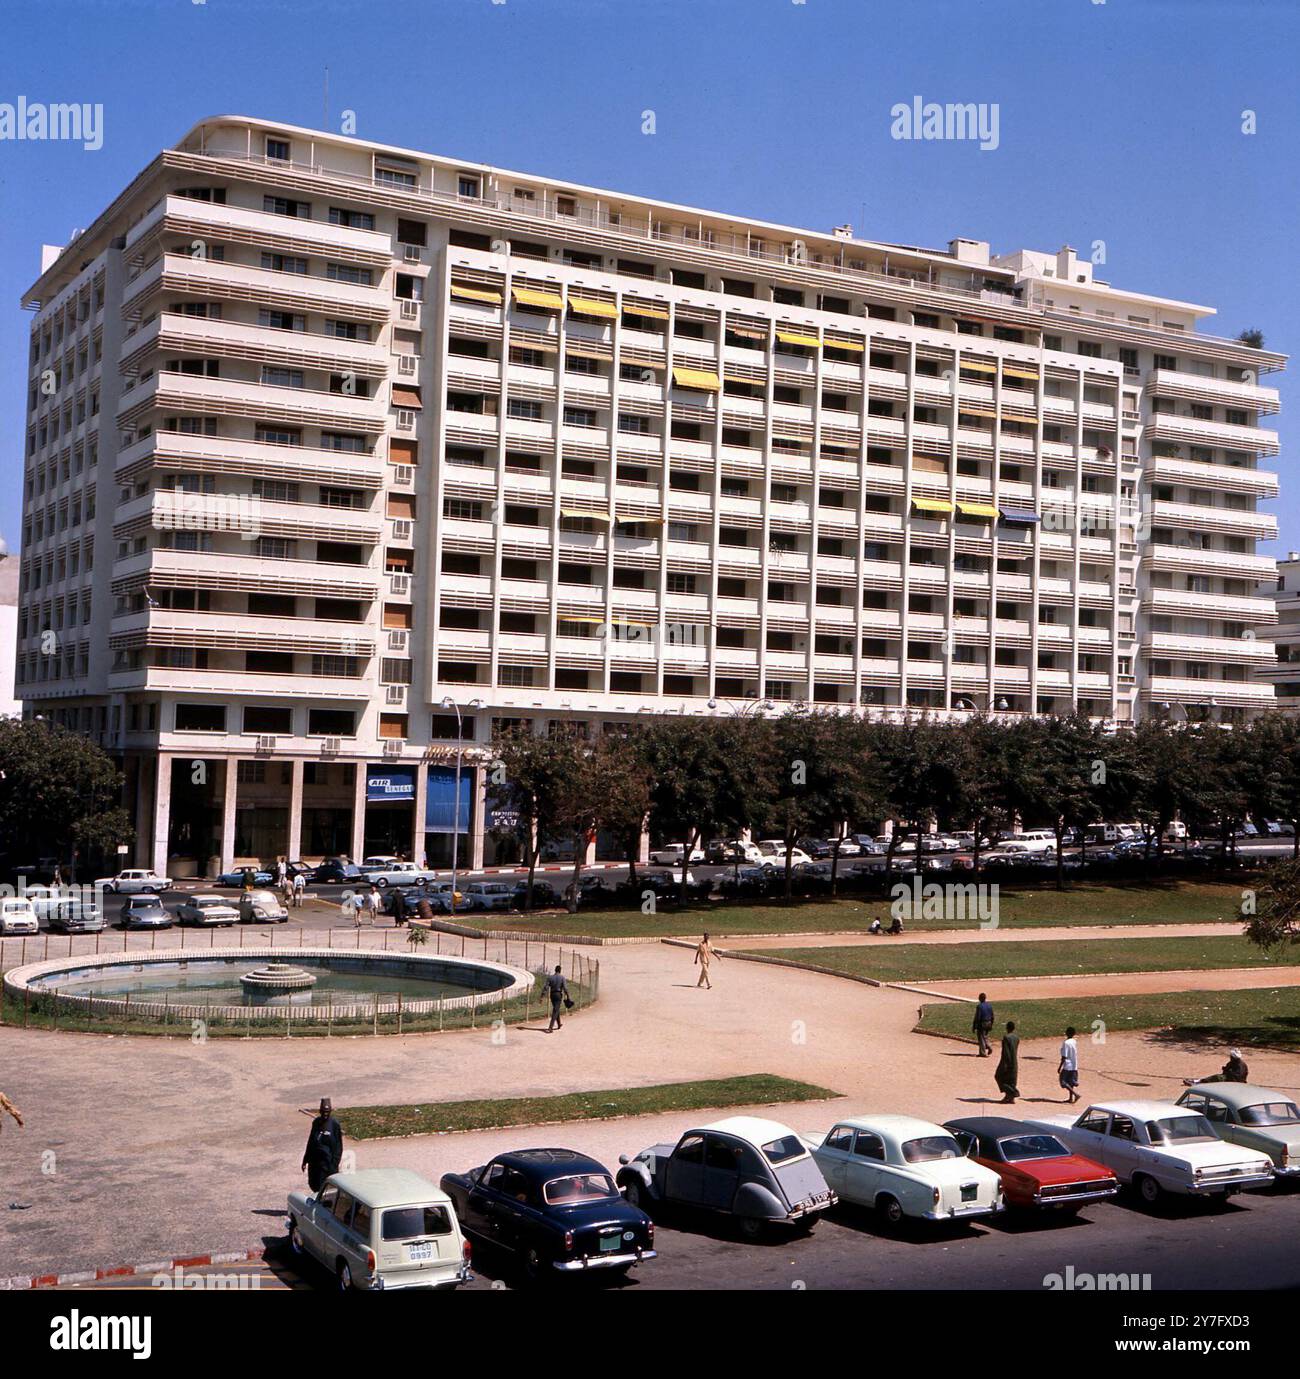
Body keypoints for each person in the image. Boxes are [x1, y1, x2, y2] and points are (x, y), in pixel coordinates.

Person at [301, 1097, 343, 1195]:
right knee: (314, 1185)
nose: (325, 1114)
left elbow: (338, 1148)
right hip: (315, 1164)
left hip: (327, 1165)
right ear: (320, 1111)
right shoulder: (316, 1123)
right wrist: (305, 1159)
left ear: (330, 1111)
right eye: (323, 1111)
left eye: (327, 1112)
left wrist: (333, 1166)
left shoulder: (334, 1125)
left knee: (327, 1190)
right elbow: (311, 1142)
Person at [1184, 1048, 1249, 1086]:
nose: (1230, 1057)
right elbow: (1227, 1068)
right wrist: (1225, 1069)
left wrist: (1228, 1072)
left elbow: (1236, 1076)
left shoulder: (1241, 1065)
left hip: (1236, 1081)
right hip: (1230, 1078)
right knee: (1217, 1077)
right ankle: (1198, 1081)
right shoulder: (1233, 1063)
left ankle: (1198, 1083)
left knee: (1217, 1077)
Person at [995, 1020, 1020, 1104]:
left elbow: (1006, 1052)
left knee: (998, 1076)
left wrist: (1004, 1064)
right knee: (1011, 1080)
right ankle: (1009, 1097)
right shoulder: (1016, 1038)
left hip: (1006, 1062)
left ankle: (1012, 1093)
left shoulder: (1006, 1038)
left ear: (1007, 1028)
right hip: (1014, 1062)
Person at [544, 964, 570, 1033]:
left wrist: (542, 996)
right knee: (555, 1010)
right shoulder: (562, 978)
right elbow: (565, 988)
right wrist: (568, 996)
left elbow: (545, 987)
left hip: (552, 995)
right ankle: (550, 1027)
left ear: (555, 970)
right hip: (558, 995)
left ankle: (559, 1024)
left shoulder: (550, 977)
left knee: (556, 1008)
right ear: (560, 970)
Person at [1058, 1025, 1081, 1103]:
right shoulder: (1074, 1041)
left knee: (1063, 1081)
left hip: (1067, 1065)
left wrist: (1060, 1066)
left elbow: (1064, 1056)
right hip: (1074, 1065)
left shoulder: (1066, 1043)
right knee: (1071, 1082)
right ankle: (1070, 1098)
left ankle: (1076, 1094)